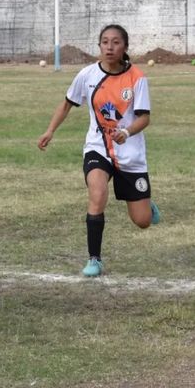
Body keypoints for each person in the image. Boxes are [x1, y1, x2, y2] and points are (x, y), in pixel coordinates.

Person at [37, 24, 160, 277]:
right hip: (98, 149)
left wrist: (126, 132)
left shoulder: (137, 78)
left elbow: (144, 118)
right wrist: (50, 131)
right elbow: (67, 104)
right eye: (105, 42)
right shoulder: (88, 75)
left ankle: (148, 205)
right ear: (100, 46)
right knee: (97, 192)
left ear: (124, 47)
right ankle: (94, 259)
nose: (110, 47)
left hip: (130, 154)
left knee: (142, 221)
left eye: (116, 42)